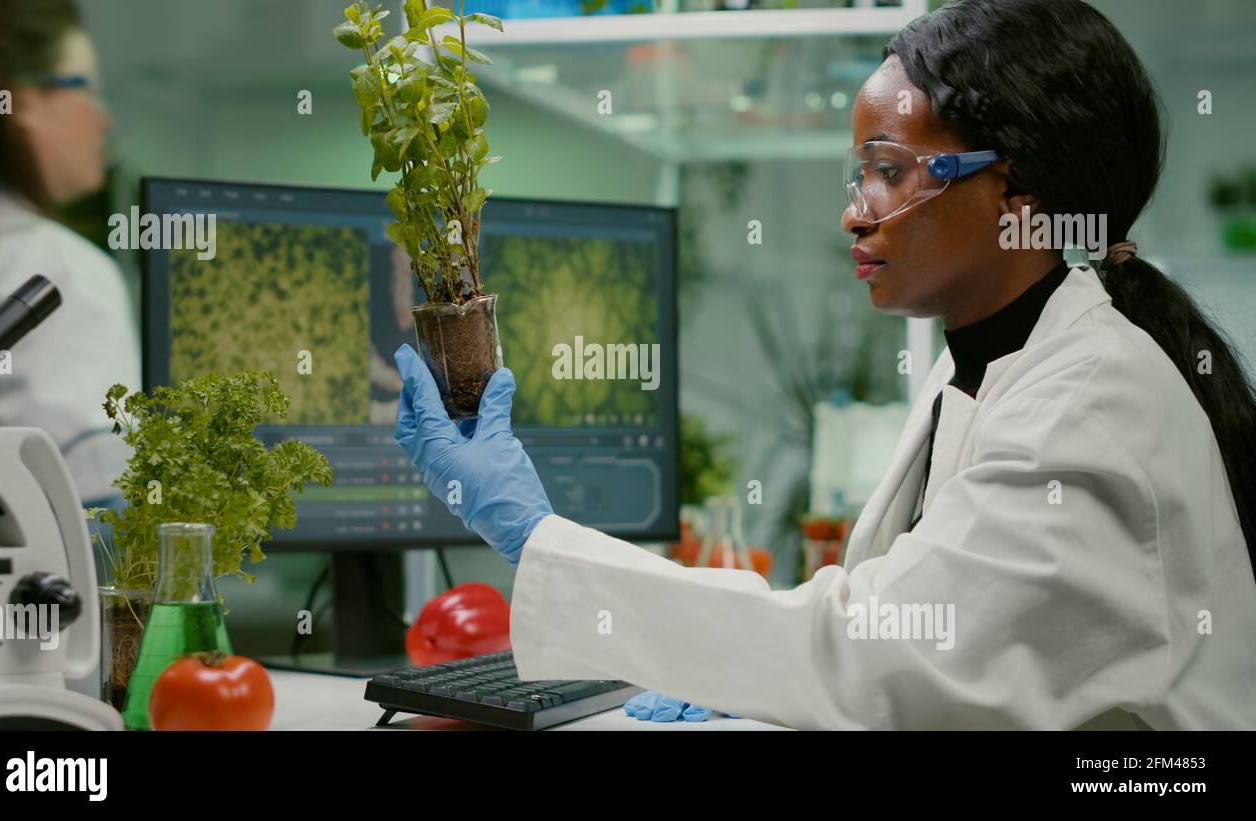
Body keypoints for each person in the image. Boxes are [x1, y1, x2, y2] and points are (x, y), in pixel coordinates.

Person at [392, 0, 1256, 730]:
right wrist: (747, 681)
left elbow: (873, 652)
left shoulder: (1091, 404)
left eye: (887, 171)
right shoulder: (990, 367)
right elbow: (890, 618)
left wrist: (531, 531)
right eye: (859, 174)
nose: (856, 214)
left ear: (1018, 194)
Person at [0, 0, 139, 506]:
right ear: (25, 101)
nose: (103, 120)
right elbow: (93, 521)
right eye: (87, 86)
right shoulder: (65, 271)